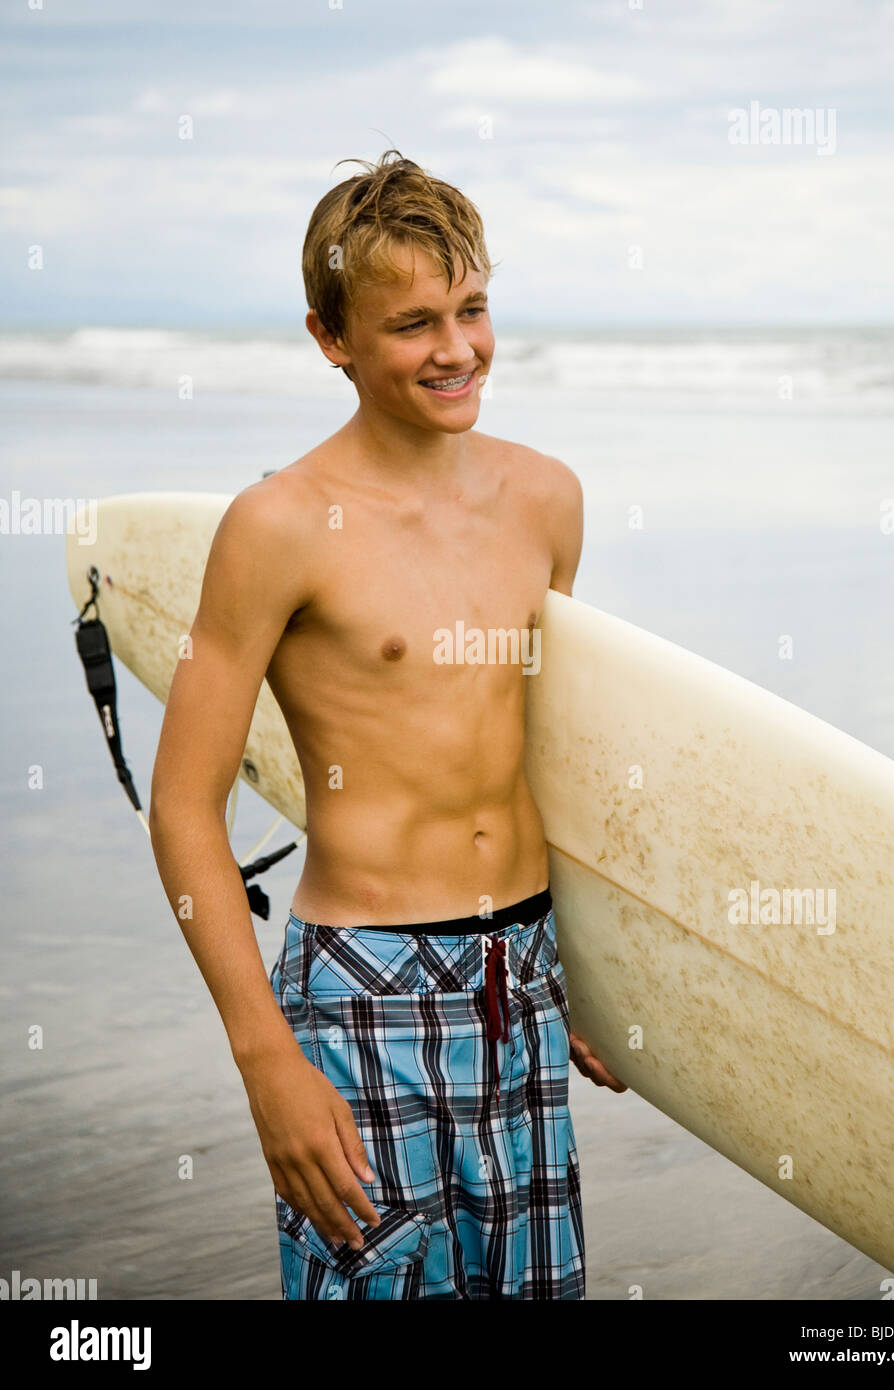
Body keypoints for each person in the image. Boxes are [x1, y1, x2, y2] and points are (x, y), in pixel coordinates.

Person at [148, 149, 627, 1302]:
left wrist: (605, 974)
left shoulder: (546, 498)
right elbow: (183, 806)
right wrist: (265, 1061)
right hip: (365, 985)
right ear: (332, 338)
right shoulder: (278, 525)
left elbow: (542, 753)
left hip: (523, 971)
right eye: (412, 323)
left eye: (471, 309)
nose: (456, 349)